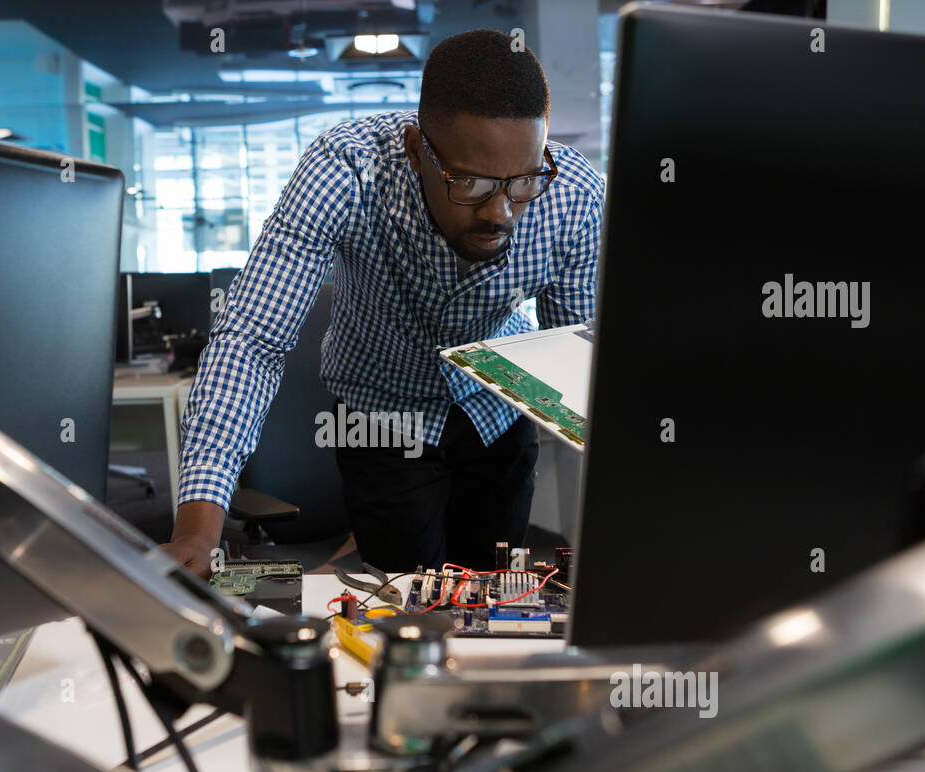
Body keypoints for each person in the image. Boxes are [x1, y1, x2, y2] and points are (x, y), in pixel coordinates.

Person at [161, 28, 604, 577]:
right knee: (399, 601)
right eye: (470, 182)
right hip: (384, 415)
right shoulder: (345, 169)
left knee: (492, 602)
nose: (501, 213)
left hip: (497, 410)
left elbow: (579, 368)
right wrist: (198, 529)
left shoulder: (574, 196)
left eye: (521, 182)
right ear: (418, 151)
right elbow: (252, 340)